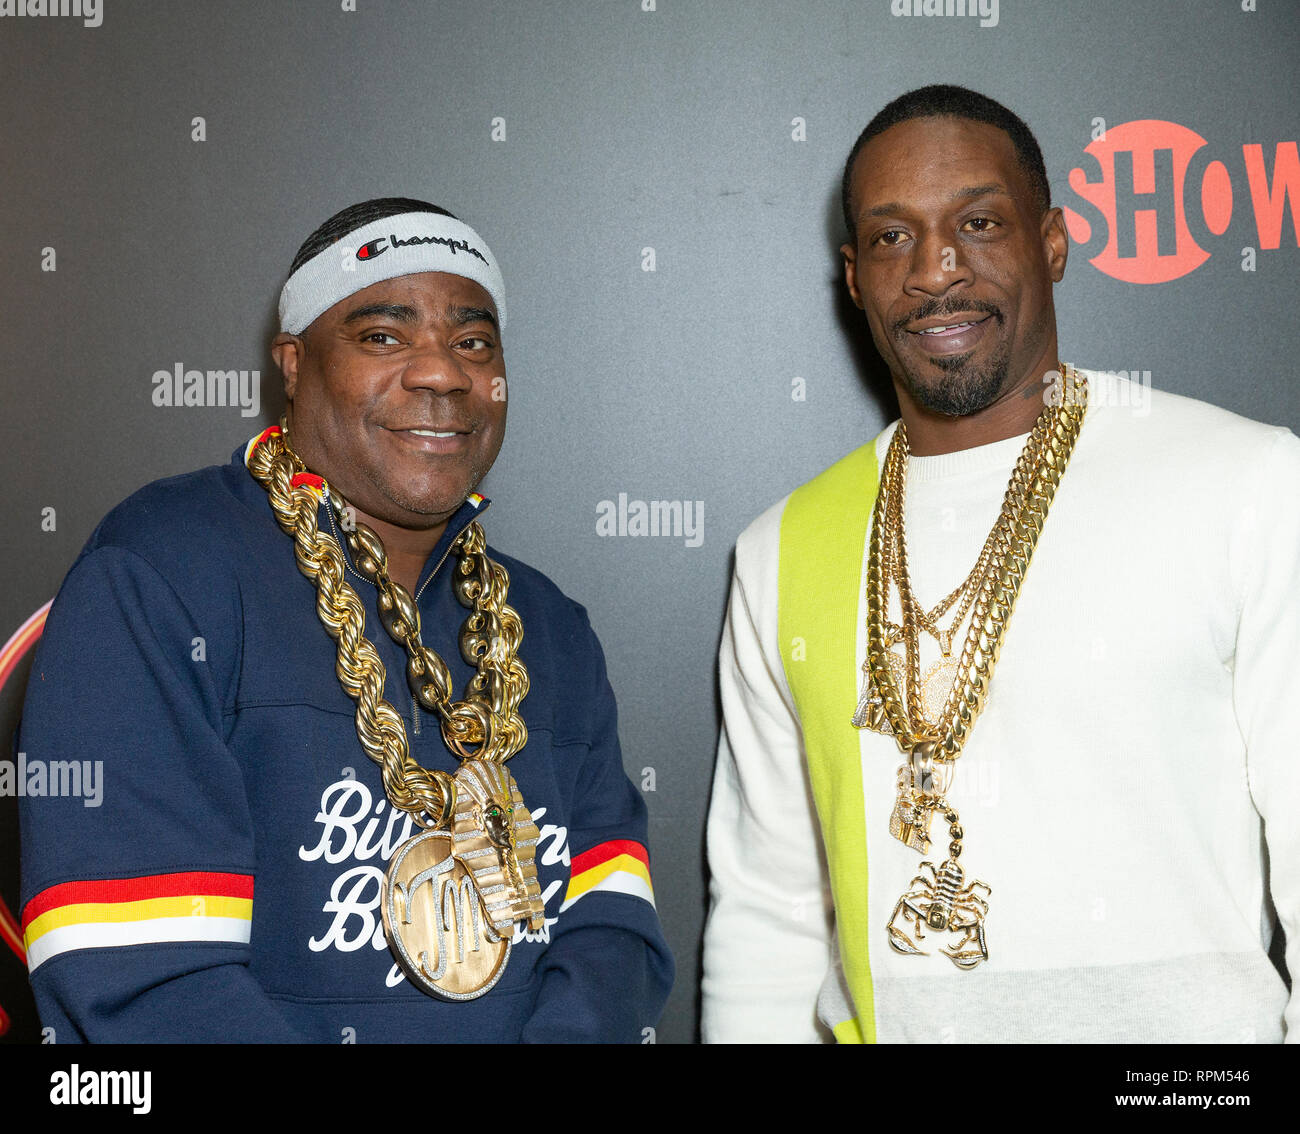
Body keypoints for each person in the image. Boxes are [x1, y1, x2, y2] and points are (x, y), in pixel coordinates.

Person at [701, 86, 1298, 1044]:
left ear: (1052, 243)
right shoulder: (782, 547)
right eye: (892, 238)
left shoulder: (1243, 483)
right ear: (853, 277)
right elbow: (767, 914)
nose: (936, 269)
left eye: (979, 222)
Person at [18, 197, 673, 1042]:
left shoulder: (547, 628)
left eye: (472, 342)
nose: (441, 373)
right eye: (383, 337)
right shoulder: (162, 573)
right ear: (293, 364)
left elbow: (611, 928)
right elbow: (139, 978)